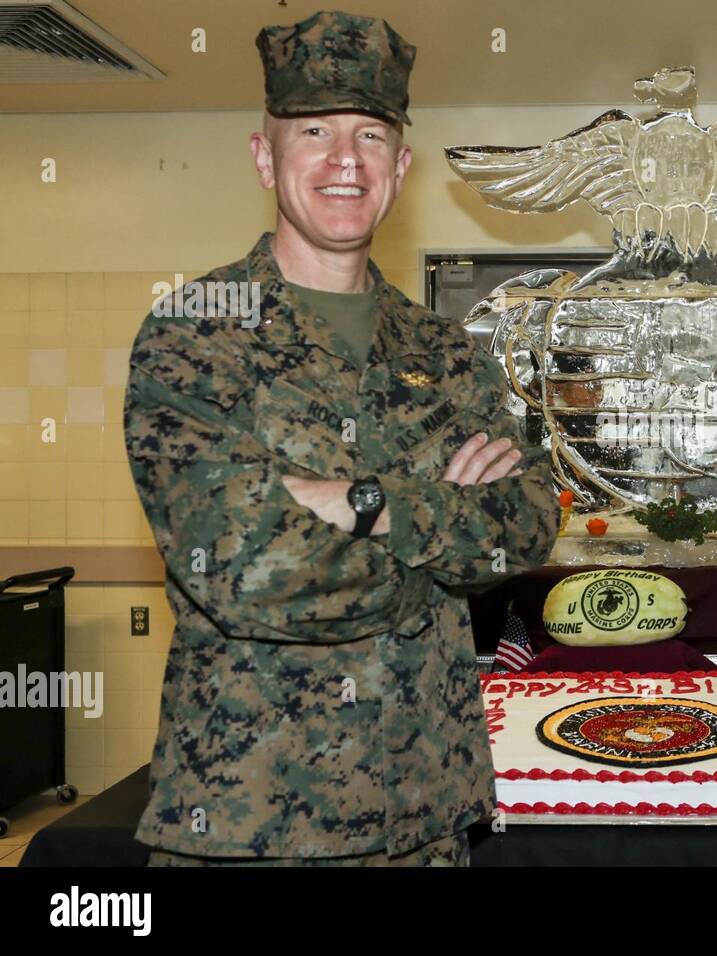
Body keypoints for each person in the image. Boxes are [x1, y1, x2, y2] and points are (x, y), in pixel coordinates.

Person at [125, 10, 559, 866]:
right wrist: (435, 541)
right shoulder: (196, 332)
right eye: (313, 131)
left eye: (369, 135)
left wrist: (361, 504)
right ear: (265, 156)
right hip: (253, 820)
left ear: (399, 166)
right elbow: (243, 569)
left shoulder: (441, 350)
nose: (343, 160)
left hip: (425, 815)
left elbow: (525, 522)